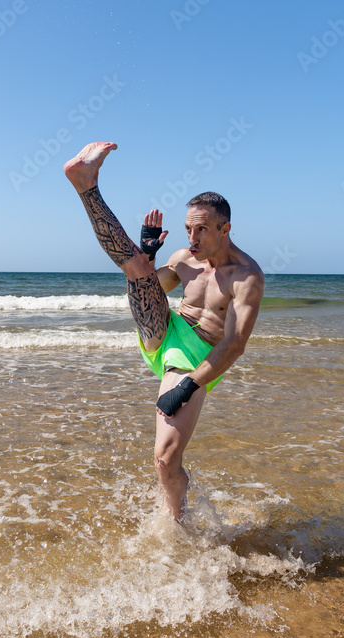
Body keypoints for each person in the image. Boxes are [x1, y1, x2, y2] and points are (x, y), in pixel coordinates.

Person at [63, 142, 264, 521]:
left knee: (165, 460)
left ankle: (178, 521)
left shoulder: (247, 277)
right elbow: (150, 286)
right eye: (188, 229)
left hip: (195, 359)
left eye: (202, 230)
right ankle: (85, 184)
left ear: (226, 228)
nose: (192, 239)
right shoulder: (185, 259)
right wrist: (150, 253)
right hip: (164, 332)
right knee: (136, 267)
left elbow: (235, 345)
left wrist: (189, 386)